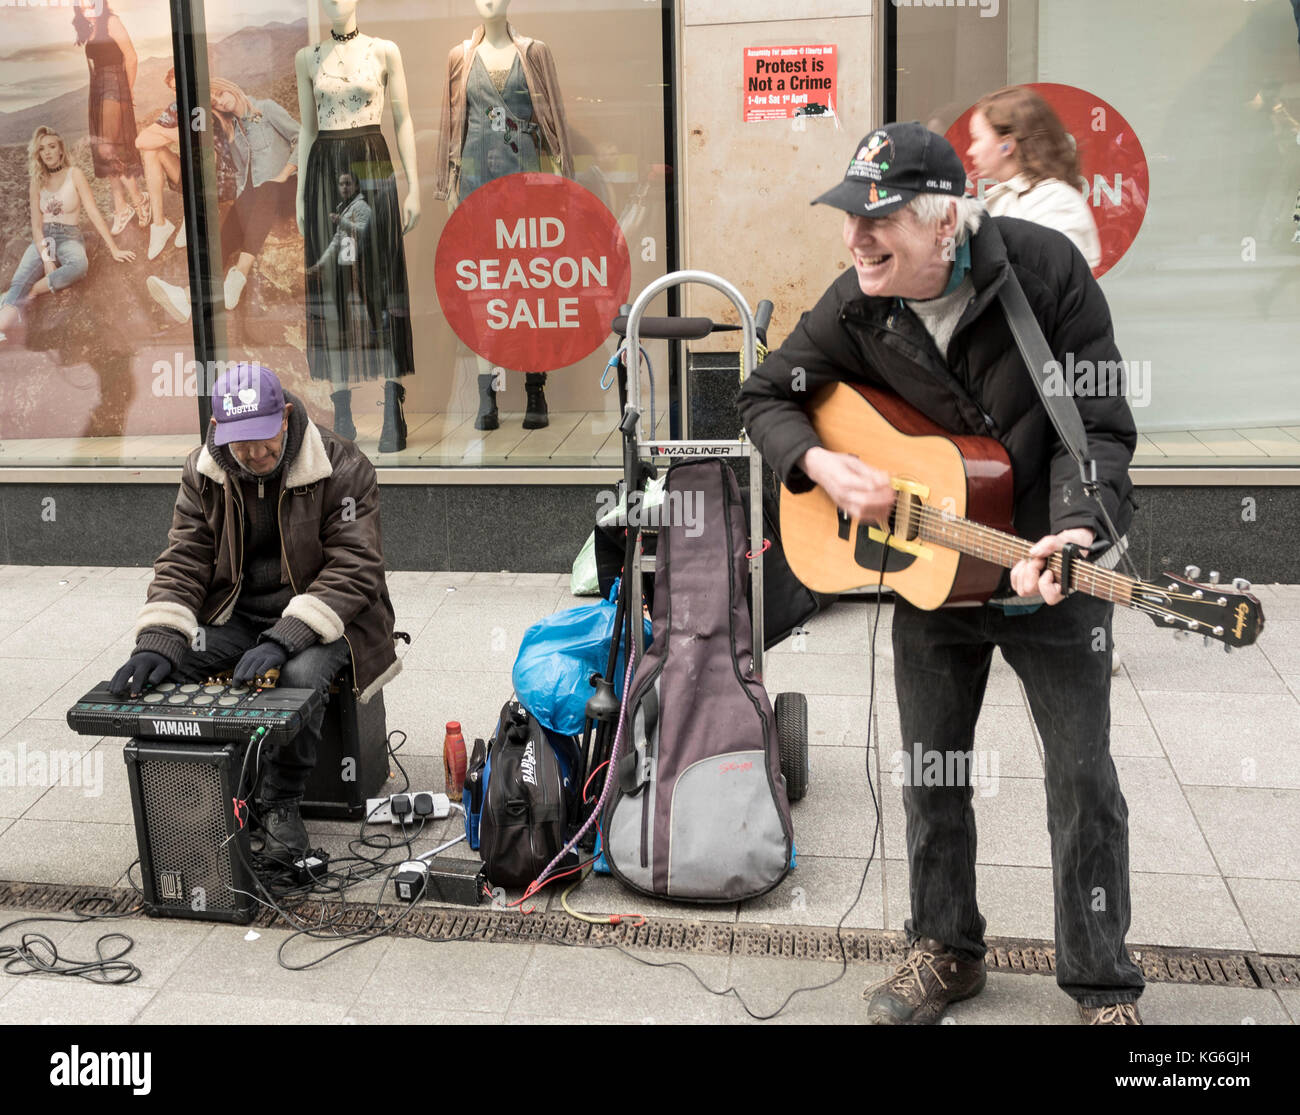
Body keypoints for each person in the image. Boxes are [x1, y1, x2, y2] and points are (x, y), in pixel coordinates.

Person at [737, 122, 1143, 1025]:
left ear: (945, 223)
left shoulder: (1047, 277)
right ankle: (947, 951)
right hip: (933, 579)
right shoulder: (857, 303)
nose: (853, 239)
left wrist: (1076, 534)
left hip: (1044, 566)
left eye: (876, 221)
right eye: (848, 218)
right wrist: (819, 465)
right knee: (932, 772)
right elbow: (767, 393)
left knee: (1083, 779)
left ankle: (1103, 984)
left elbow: (1104, 433)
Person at [109, 364, 400, 860]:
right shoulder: (202, 471)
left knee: (299, 671)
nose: (256, 454)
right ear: (220, 431)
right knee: (171, 666)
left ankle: (281, 801)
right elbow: (185, 557)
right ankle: (207, 794)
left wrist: (285, 635)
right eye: (242, 444)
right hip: (236, 615)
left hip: (329, 616)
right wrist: (158, 638)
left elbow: (356, 567)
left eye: (265, 440)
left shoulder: (342, 464)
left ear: (285, 417)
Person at [146, 79, 299, 320]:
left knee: (268, 188)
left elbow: (302, 136)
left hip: (289, 184)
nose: (222, 100)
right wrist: (241, 204)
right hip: (259, 194)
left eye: (221, 93)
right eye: (216, 101)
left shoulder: (266, 108)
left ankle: (239, 275)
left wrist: (284, 174)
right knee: (226, 235)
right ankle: (186, 297)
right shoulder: (233, 130)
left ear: (230, 86)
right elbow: (240, 173)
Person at [0, 126, 135, 343]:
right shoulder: (37, 181)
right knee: (18, 282)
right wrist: (46, 260)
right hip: (44, 238)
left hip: (69, 237)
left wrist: (114, 247)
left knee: (79, 265)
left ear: (61, 150)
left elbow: (92, 211)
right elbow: (36, 226)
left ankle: (31, 291)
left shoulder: (75, 175)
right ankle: (5, 318)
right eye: (42, 149)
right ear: (39, 154)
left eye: (52, 147)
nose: (48, 152)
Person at [966, 85, 1101, 271]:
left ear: (1007, 144)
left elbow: (1056, 282)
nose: (970, 150)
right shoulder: (999, 199)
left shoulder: (1057, 201)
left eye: (976, 138)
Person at [73, 0, 147, 236]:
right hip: (97, 90)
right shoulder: (87, 26)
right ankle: (121, 207)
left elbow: (132, 58)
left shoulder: (112, 21)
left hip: (115, 86)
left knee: (109, 148)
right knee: (104, 149)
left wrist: (129, 91)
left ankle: (137, 200)